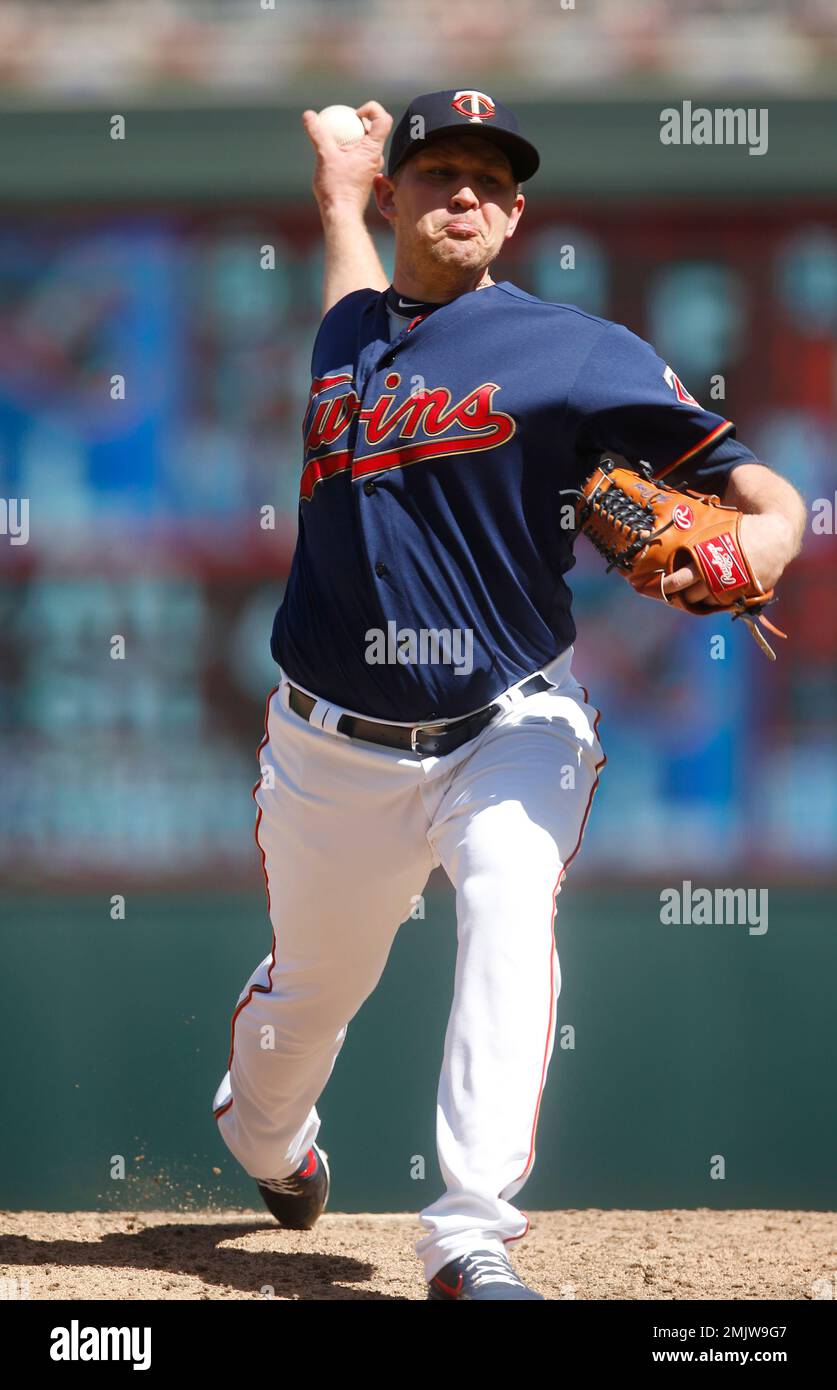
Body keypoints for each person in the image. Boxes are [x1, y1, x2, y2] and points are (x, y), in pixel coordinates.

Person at [212, 90, 806, 1301]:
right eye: (437, 175)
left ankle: (470, 1233)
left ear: (518, 210)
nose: (466, 195)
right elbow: (346, 292)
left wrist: (776, 541)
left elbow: (767, 493)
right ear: (397, 201)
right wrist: (332, 189)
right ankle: (268, 1139)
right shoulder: (346, 335)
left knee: (509, 900)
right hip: (331, 749)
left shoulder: (576, 351)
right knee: (308, 1009)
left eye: (490, 178)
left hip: (509, 720)